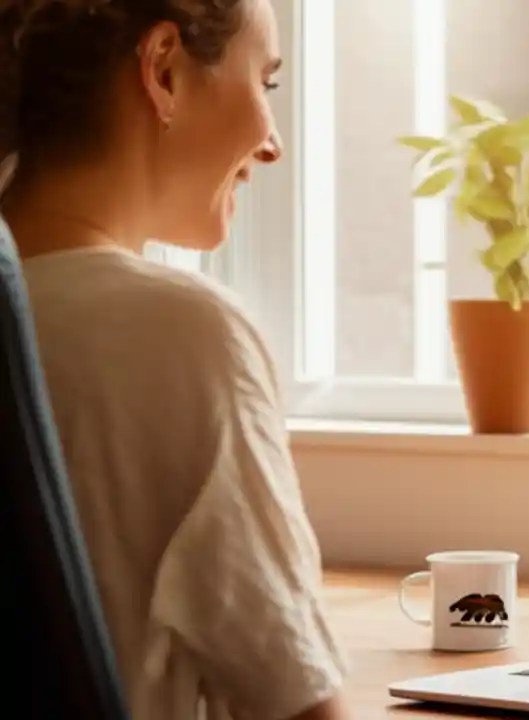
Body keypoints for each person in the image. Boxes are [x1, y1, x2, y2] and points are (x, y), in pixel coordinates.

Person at [0, 1, 349, 718]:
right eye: (266, 82)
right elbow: (301, 703)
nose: (273, 142)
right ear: (163, 70)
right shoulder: (185, 336)